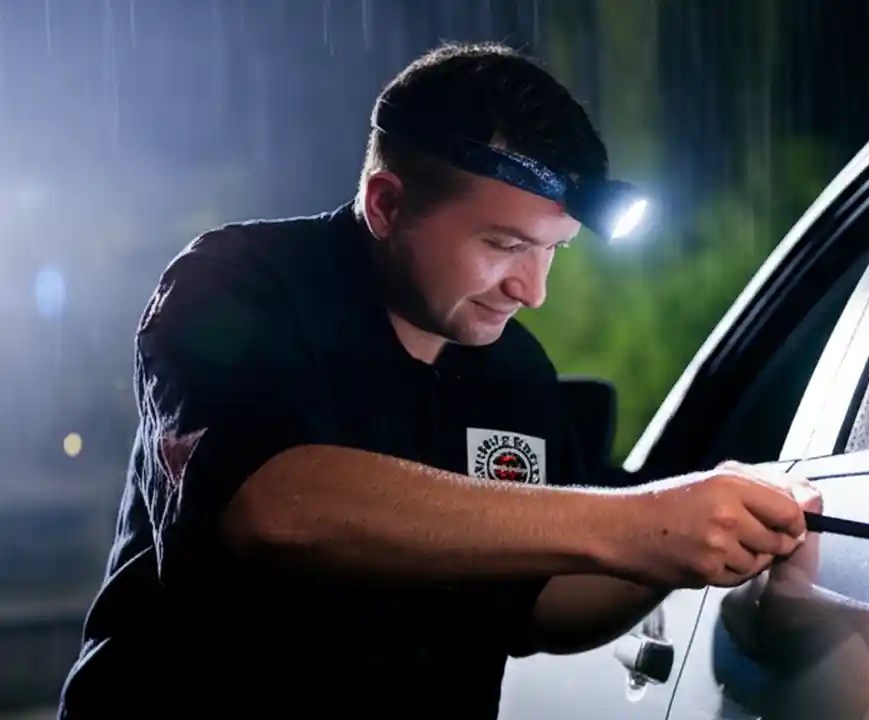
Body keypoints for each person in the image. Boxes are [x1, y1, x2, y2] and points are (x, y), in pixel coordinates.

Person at [58, 42, 810, 719]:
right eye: (504, 244)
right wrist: (631, 520)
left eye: (554, 251)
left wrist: (682, 550)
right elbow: (271, 506)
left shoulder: (513, 371)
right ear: (387, 204)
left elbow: (540, 605)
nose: (532, 290)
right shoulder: (233, 287)